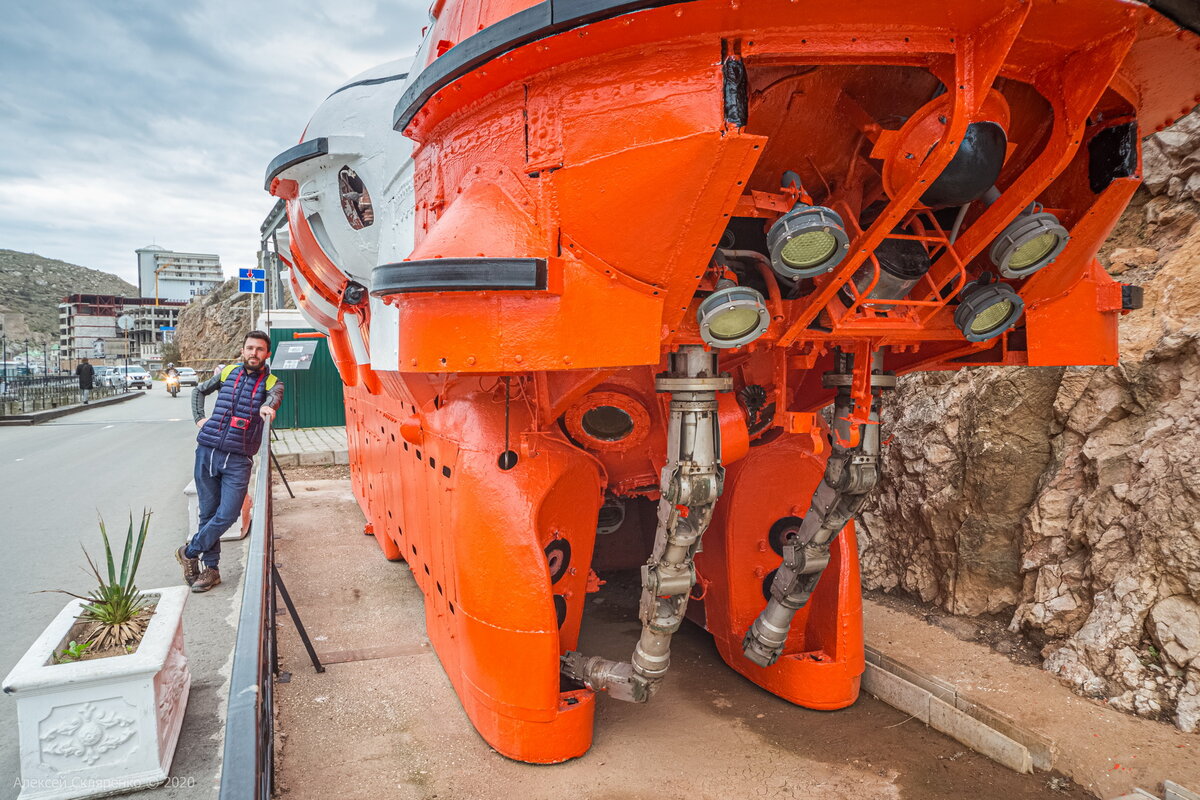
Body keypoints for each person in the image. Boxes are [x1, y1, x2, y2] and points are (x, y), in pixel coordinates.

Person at [176, 331, 283, 593]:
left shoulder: (273, 382)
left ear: (266, 354)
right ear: (243, 350)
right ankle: (211, 570)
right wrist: (200, 418)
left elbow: (273, 398)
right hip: (208, 450)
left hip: (239, 456)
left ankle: (189, 552)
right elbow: (199, 392)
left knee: (228, 514)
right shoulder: (227, 373)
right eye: (249, 348)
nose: (253, 353)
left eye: (259, 349)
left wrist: (268, 408)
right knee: (208, 513)